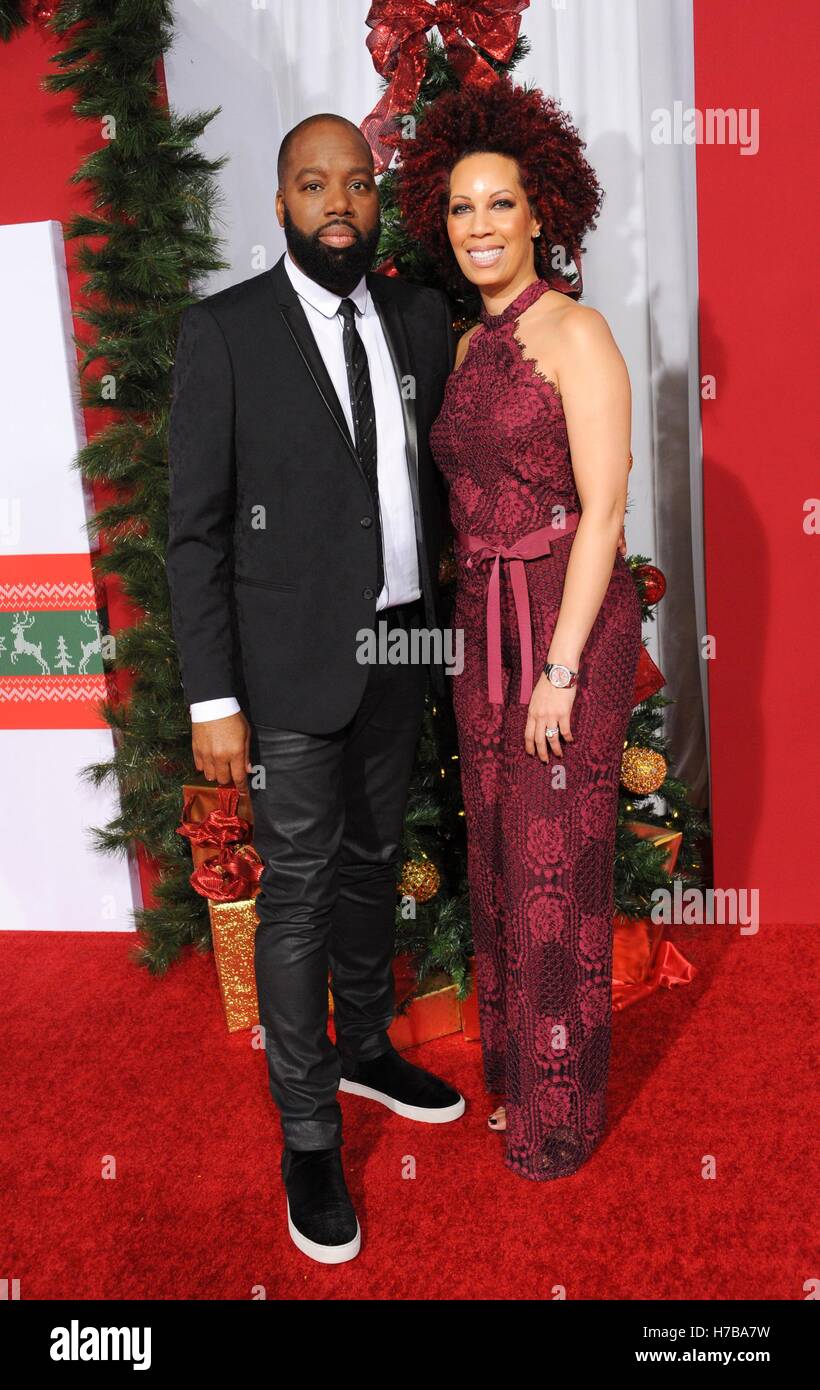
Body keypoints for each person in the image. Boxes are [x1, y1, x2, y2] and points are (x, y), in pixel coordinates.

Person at [166, 113, 465, 1265]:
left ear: (377, 199)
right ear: (280, 201)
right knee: (293, 894)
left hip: (398, 649)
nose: (336, 200)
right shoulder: (224, 333)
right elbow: (192, 535)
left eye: (356, 183)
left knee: (372, 860)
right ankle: (306, 1129)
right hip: (284, 670)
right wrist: (211, 700)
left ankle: (365, 1048)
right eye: (311, 184)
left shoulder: (416, 315)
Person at [396, 78, 642, 1181]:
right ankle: (516, 1078)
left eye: (499, 204)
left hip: (560, 622)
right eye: (461, 208)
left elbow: (605, 513)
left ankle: (559, 1117)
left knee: (555, 867)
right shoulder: (461, 347)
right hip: (479, 629)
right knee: (498, 861)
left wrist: (557, 668)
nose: (481, 225)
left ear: (541, 211)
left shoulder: (576, 334)